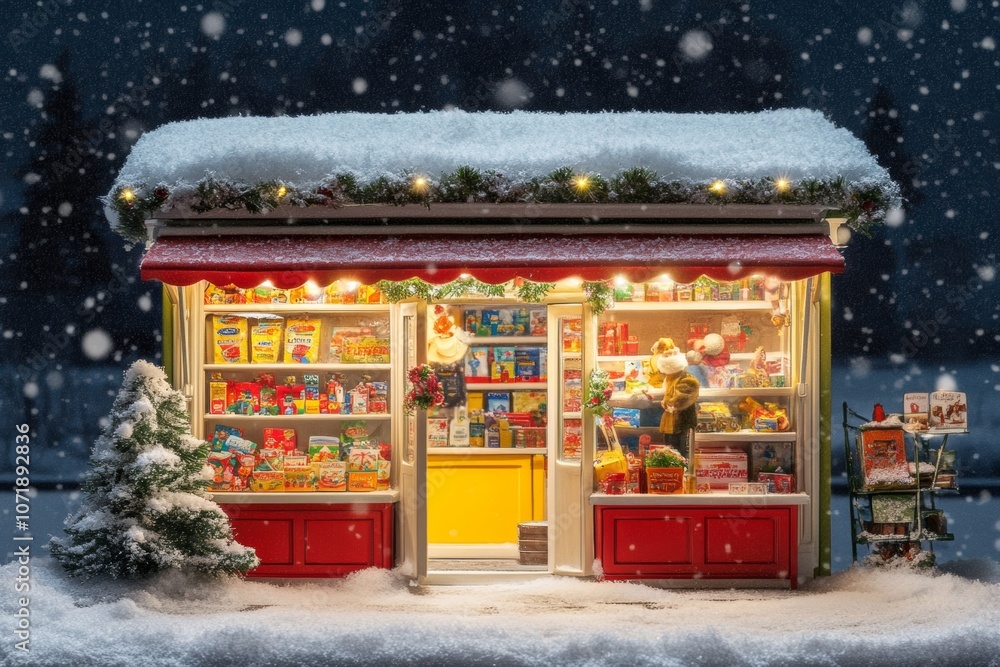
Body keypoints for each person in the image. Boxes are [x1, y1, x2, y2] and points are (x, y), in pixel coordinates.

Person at [654, 339, 701, 450]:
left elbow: (682, 399)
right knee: (670, 450)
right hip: (670, 424)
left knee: (680, 451)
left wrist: (668, 403)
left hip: (682, 424)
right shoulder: (670, 378)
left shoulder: (687, 379)